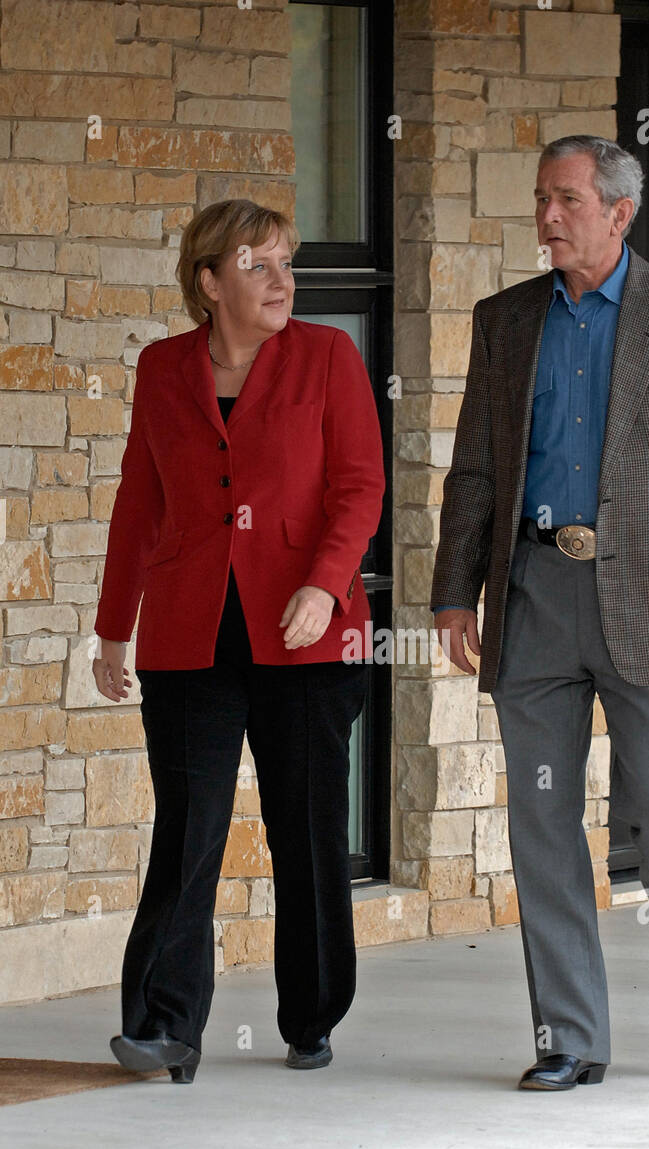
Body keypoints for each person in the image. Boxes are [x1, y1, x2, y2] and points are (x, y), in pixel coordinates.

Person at [431, 135, 649, 1092]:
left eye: (566, 200)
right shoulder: (504, 321)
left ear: (619, 214)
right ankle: (568, 1037)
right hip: (535, 593)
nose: (547, 217)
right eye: (541, 198)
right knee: (541, 816)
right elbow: (477, 470)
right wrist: (456, 591)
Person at [93, 199, 385, 1084]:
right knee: (189, 829)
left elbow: (359, 487)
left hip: (306, 634)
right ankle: (164, 1028)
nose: (281, 280)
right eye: (257, 264)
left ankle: (312, 1015)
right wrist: (114, 628)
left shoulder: (328, 357)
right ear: (209, 281)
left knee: (305, 827)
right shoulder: (162, 369)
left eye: (286, 263)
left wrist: (323, 583)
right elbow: (140, 504)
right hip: (190, 638)